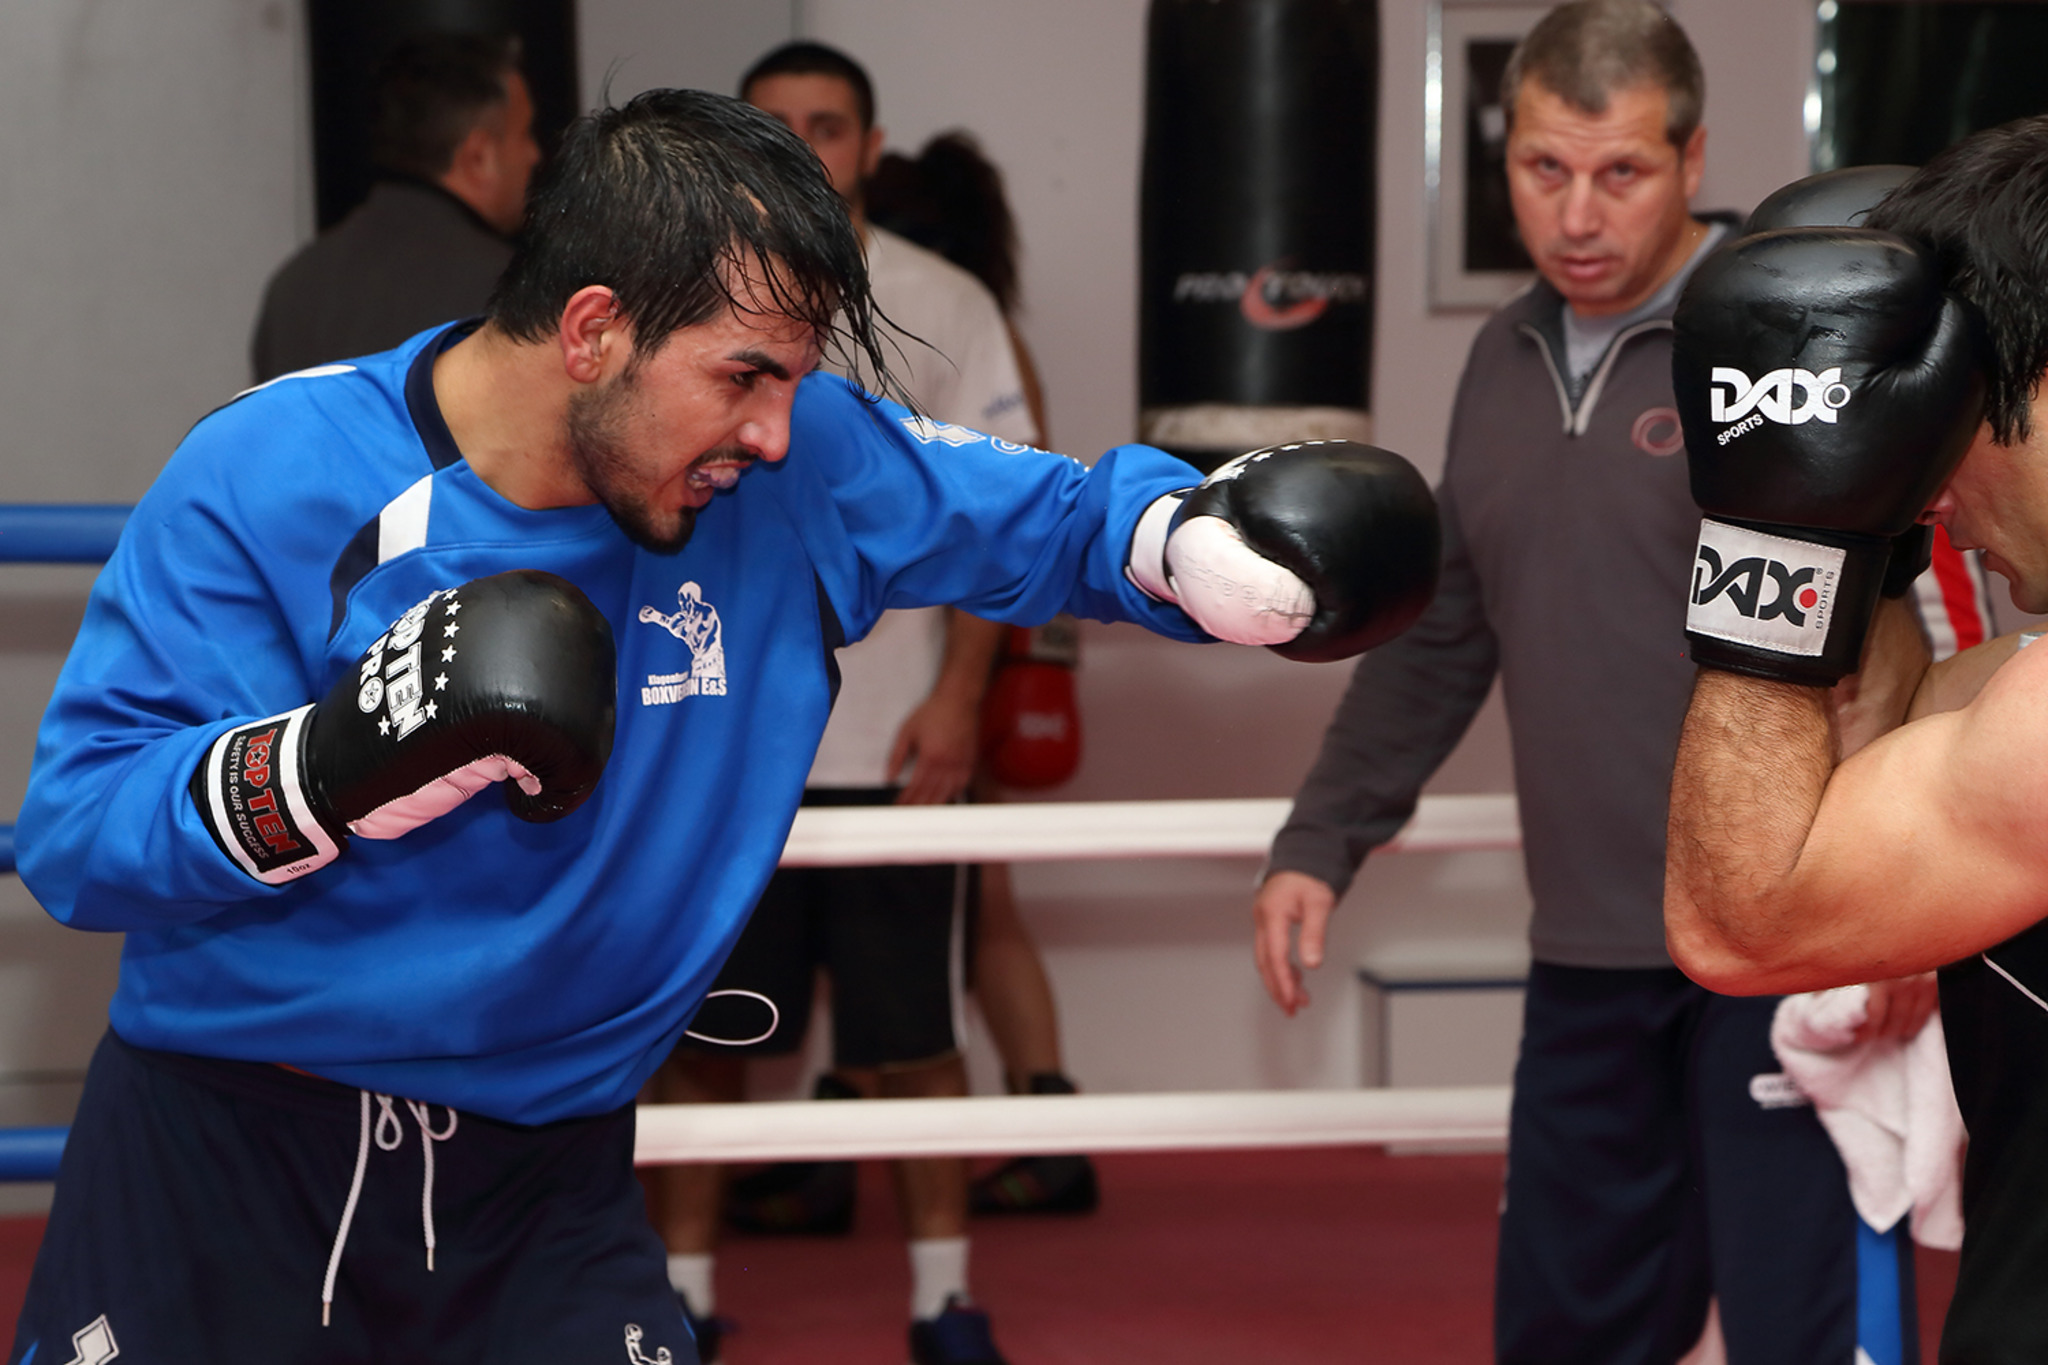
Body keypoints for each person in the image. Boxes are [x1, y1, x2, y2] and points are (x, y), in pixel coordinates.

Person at [6, 88, 1436, 1365]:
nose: (773, 428)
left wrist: (1183, 545)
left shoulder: (795, 465)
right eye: (744, 374)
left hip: (544, 1183)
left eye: (795, 380)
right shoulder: (276, 474)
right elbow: (78, 834)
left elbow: (1050, 517)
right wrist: (322, 771)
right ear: (592, 331)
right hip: (234, 1154)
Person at [1250, 4, 1973, 1360]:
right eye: (1542, 170)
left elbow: (1902, 623)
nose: (1577, 213)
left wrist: (1892, 917)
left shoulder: (1788, 344)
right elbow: (1445, 629)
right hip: (1587, 949)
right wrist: (1320, 839)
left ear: (1693, 159)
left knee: (1797, 1331)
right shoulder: (1498, 362)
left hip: (1779, 937)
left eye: (1621, 172)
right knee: (1568, 1329)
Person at [643, 44, 1047, 1365]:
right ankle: (684, 1298)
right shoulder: (668, 310)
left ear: (872, 147)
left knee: (910, 1040)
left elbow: (1013, 509)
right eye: (778, 126)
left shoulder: (941, 301)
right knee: (704, 1046)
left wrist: (962, 692)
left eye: (828, 126)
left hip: (890, 745)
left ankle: (944, 1298)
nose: (805, 147)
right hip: (718, 748)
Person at [1663, 116, 2048, 1362]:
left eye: (1949, 426)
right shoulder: (2015, 692)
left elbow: (1738, 919)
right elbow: (1861, 760)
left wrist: (1777, 538)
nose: (1929, 487)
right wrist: (1863, 541)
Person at [868, 130, 1100, 1219]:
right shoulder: (978, 320)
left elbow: (1020, 502)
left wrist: (973, 678)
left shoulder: (959, 325)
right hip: (996, 632)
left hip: (985, 636)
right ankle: (1039, 1113)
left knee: (977, 896)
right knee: (977, 900)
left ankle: (1043, 1123)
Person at [249, 32, 541, 382]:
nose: (534, 154)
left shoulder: (295, 286)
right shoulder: (508, 289)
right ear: (478, 157)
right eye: (524, 134)